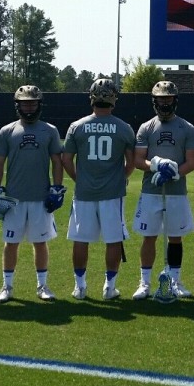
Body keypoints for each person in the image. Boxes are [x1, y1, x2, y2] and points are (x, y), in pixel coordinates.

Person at [0, 85, 66, 303]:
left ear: (39, 105)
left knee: (40, 243)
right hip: (14, 199)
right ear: (18, 105)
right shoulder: (7, 131)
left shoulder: (49, 130)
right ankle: (7, 287)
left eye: (32, 103)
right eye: (25, 103)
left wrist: (57, 187)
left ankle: (43, 285)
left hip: (40, 198)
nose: (29, 107)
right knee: (10, 243)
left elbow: (56, 162)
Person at [62, 78, 135, 300]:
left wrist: (79, 178)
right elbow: (130, 163)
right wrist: (119, 178)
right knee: (113, 239)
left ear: (92, 97)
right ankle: (109, 287)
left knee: (81, 239)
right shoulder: (124, 128)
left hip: (84, 192)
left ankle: (80, 286)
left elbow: (66, 160)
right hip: (112, 193)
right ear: (114, 98)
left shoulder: (77, 126)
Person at [132, 80, 194, 300]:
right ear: (154, 101)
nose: (165, 103)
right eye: (161, 99)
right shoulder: (146, 127)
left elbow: (191, 160)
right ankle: (145, 283)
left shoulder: (186, 128)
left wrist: (174, 172)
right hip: (151, 191)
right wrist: (155, 166)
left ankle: (175, 281)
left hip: (176, 192)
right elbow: (138, 159)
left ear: (175, 100)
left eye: (168, 99)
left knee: (175, 237)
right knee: (149, 237)